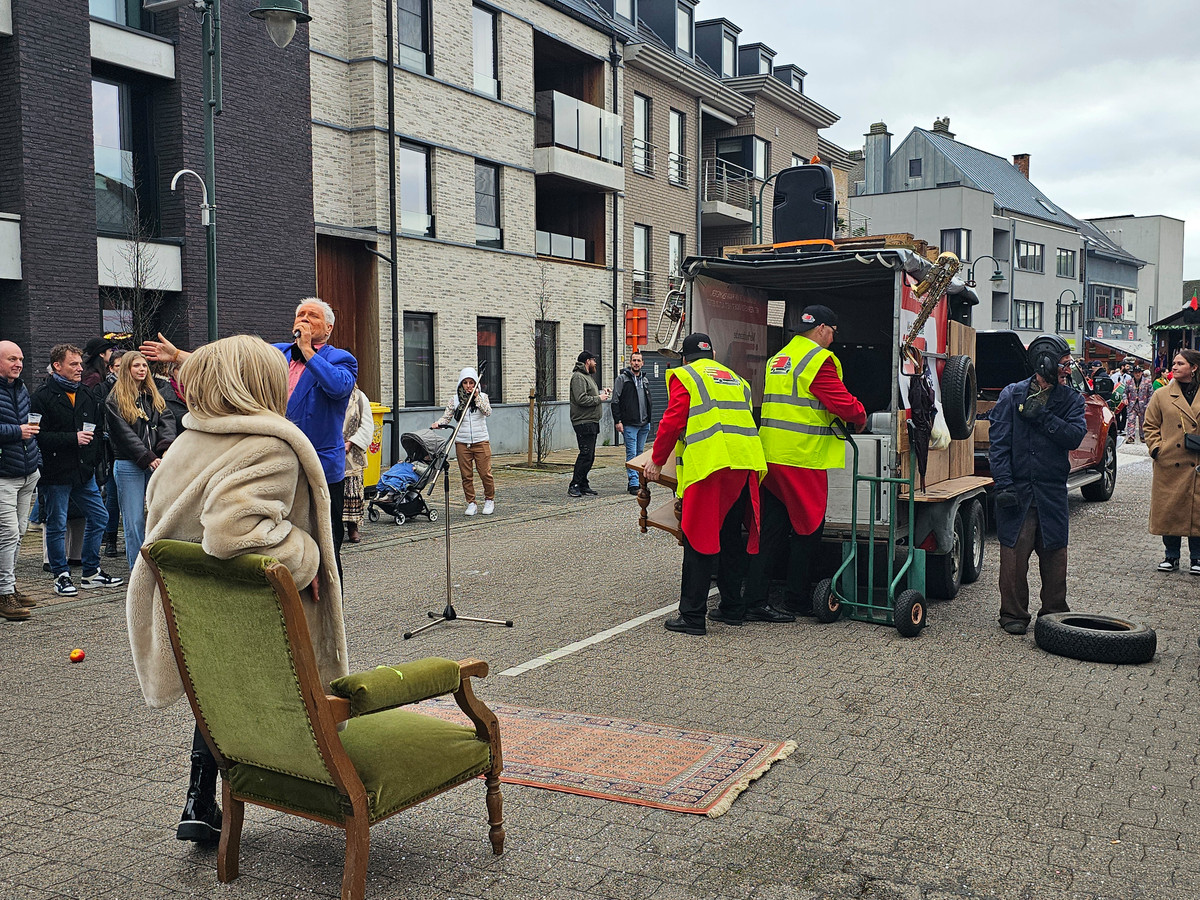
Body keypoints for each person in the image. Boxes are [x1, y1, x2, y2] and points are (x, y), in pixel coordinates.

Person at [125, 335, 348, 844]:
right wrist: (307, 557)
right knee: (284, 693)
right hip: (251, 609)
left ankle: (200, 798)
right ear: (259, 381)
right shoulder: (267, 445)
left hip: (194, 612)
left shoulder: (187, 442)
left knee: (218, 695)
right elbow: (232, 533)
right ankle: (322, 784)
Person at [141, 299, 358, 568]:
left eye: (311, 316)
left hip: (320, 467)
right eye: (299, 314)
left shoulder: (341, 359)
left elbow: (338, 388)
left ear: (328, 328)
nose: (302, 319)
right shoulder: (277, 353)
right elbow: (228, 364)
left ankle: (328, 604)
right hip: (277, 463)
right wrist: (178, 356)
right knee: (280, 543)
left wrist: (308, 351)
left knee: (325, 552)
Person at [741, 305, 866, 623]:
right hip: (801, 457)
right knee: (809, 530)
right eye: (833, 334)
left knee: (771, 529)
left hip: (770, 455)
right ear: (823, 328)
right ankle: (797, 599)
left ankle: (756, 599)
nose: (833, 341)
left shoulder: (778, 359)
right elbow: (841, 402)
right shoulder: (818, 360)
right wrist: (861, 415)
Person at [644, 333, 766, 636]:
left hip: (711, 466)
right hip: (743, 463)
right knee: (729, 536)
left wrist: (656, 460)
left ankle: (692, 616)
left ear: (684, 358)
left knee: (698, 537)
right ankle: (732, 608)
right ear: (712, 355)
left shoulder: (686, 376)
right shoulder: (736, 380)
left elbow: (673, 421)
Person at [989, 335, 1086, 634]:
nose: (1068, 370)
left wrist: (1043, 416)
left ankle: (1054, 614)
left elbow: (1073, 436)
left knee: (1056, 557)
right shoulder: (1011, 395)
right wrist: (1003, 485)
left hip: (1051, 492)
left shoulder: (1072, 399)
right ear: (1045, 362)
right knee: (1014, 559)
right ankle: (1013, 614)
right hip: (1017, 492)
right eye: (1064, 364)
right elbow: (999, 444)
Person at [31, 344, 123, 596]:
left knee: (100, 517)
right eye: (73, 364)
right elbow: (37, 436)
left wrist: (92, 462)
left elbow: (94, 432)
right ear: (57, 366)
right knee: (57, 523)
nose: (80, 368)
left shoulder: (86, 393)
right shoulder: (41, 397)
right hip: (56, 472)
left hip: (84, 472)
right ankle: (61, 575)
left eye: (81, 364)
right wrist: (72, 438)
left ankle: (91, 572)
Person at [105, 351, 177, 573]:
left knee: (159, 515)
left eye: (144, 365)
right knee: (133, 520)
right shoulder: (114, 399)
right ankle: (138, 570)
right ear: (127, 369)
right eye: (136, 366)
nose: (142, 369)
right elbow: (123, 435)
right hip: (129, 464)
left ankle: (159, 565)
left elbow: (167, 421)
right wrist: (147, 458)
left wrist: (165, 449)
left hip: (156, 461)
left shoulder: (154, 394)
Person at [1144, 349, 1200, 574]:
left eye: (1180, 363)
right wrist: (1157, 449)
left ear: (1194, 368)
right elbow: (1150, 425)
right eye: (1173, 363)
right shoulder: (1162, 395)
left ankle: (1197, 558)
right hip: (1170, 462)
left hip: (1196, 463)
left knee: (1197, 512)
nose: (1173, 367)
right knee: (1170, 509)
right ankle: (1171, 555)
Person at [0, 341, 41, 621]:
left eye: (21, 359)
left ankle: (9, 585)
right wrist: (18, 431)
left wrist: (37, 463)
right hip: (4, 474)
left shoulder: (22, 388)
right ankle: (4, 594)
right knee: (8, 534)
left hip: (27, 471)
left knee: (20, 532)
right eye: (12, 359)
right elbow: (19, 429)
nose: (18, 364)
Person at [432, 367, 495, 515]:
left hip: (481, 441)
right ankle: (471, 502)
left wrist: (477, 397)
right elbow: (446, 417)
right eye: (465, 383)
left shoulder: (483, 397)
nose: (468, 386)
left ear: (476, 384)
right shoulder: (455, 400)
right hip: (462, 442)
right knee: (466, 475)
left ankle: (489, 500)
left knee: (485, 473)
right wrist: (439, 423)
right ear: (461, 384)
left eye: (471, 382)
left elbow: (488, 411)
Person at [611, 350, 653, 496]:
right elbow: (615, 401)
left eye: (638, 360)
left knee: (640, 453)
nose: (636, 363)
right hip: (629, 424)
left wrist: (649, 419)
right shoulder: (622, 379)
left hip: (644, 424)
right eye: (634, 360)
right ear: (630, 362)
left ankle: (641, 481)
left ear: (642, 363)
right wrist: (618, 421)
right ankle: (633, 482)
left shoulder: (645, 380)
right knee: (632, 453)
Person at [568, 351, 610, 497]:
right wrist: (599, 398)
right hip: (583, 421)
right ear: (587, 361)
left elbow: (589, 395)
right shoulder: (578, 377)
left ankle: (583, 484)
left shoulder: (587, 376)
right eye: (593, 360)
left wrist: (601, 393)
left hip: (591, 420)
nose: (595, 363)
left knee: (590, 455)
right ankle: (574, 484)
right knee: (585, 454)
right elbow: (581, 399)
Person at [101, 349, 125, 558]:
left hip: (137, 453)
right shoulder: (103, 390)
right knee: (113, 498)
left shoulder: (141, 390)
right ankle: (110, 539)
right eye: (119, 366)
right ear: (110, 368)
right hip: (112, 453)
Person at [342, 384, 373, 542]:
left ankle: (353, 527)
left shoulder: (359, 397)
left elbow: (367, 425)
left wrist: (351, 442)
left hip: (351, 453)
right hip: (329, 450)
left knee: (352, 489)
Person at [1126, 367, 1151, 443]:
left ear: (1141, 373)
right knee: (1131, 420)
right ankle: (1131, 437)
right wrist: (1125, 399)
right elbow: (1125, 392)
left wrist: (1149, 404)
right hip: (1132, 405)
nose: (1137, 374)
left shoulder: (1147, 382)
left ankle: (1143, 436)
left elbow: (1151, 394)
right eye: (1136, 372)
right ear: (1133, 373)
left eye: (1139, 372)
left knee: (1142, 421)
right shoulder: (1129, 382)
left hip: (1143, 405)